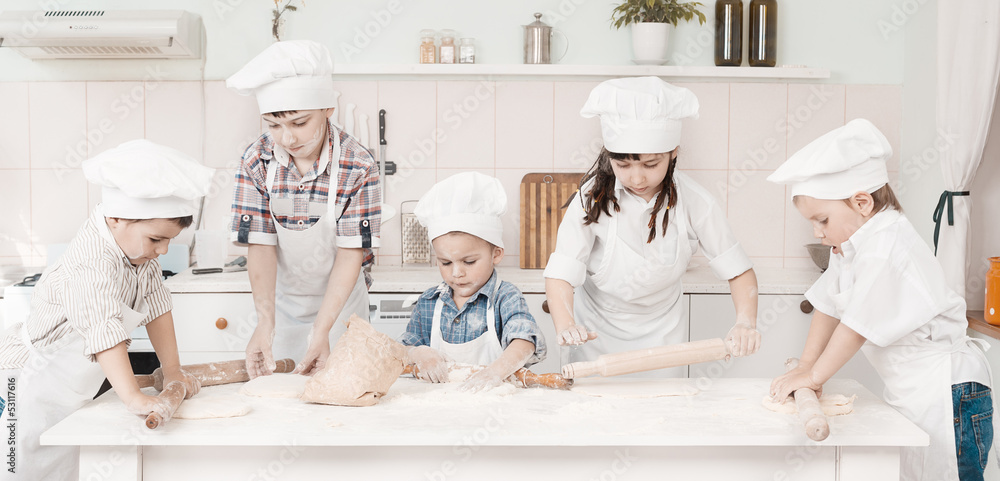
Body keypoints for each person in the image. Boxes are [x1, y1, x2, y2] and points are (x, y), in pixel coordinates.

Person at [767, 119, 994, 481]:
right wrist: (807, 364)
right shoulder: (854, 245)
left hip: (951, 392)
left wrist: (814, 376)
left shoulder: (888, 246)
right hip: (919, 391)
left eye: (822, 220)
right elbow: (828, 304)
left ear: (862, 202)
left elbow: (855, 328)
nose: (817, 232)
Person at [0, 140, 208, 480]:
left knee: (64, 469)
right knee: (22, 470)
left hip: (67, 392)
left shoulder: (137, 256)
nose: (164, 250)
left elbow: (157, 306)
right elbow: (103, 330)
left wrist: (172, 369)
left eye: (170, 241)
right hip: (26, 384)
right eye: (157, 239)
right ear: (116, 218)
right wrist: (132, 398)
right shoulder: (90, 264)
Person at [543, 77, 760, 376]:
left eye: (650, 165)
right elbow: (560, 274)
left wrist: (745, 321)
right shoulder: (590, 199)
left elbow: (739, 271)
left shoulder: (697, 202)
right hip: (595, 333)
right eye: (623, 165)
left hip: (663, 340)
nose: (636, 178)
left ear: (673, 153)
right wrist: (567, 325)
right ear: (609, 157)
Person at [227, 40, 381, 379]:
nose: (287, 138)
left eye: (299, 123)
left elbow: (350, 254)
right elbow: (261, 245)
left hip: (342, 313)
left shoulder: (358, 165)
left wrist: (323, 330)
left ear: (328, 109)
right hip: (281, 310)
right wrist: (265, 323)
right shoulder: (256, 160)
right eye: (274, 124)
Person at [401, 172, 547, 392]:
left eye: (469, 262)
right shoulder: (429, 302)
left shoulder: (505, 297)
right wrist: (417, 353)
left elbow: (525, 341)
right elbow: (403, 348)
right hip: (439, 406)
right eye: (445, 262)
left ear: (496, 254)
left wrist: (494, 372)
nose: (457, 273)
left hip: (495, 402)